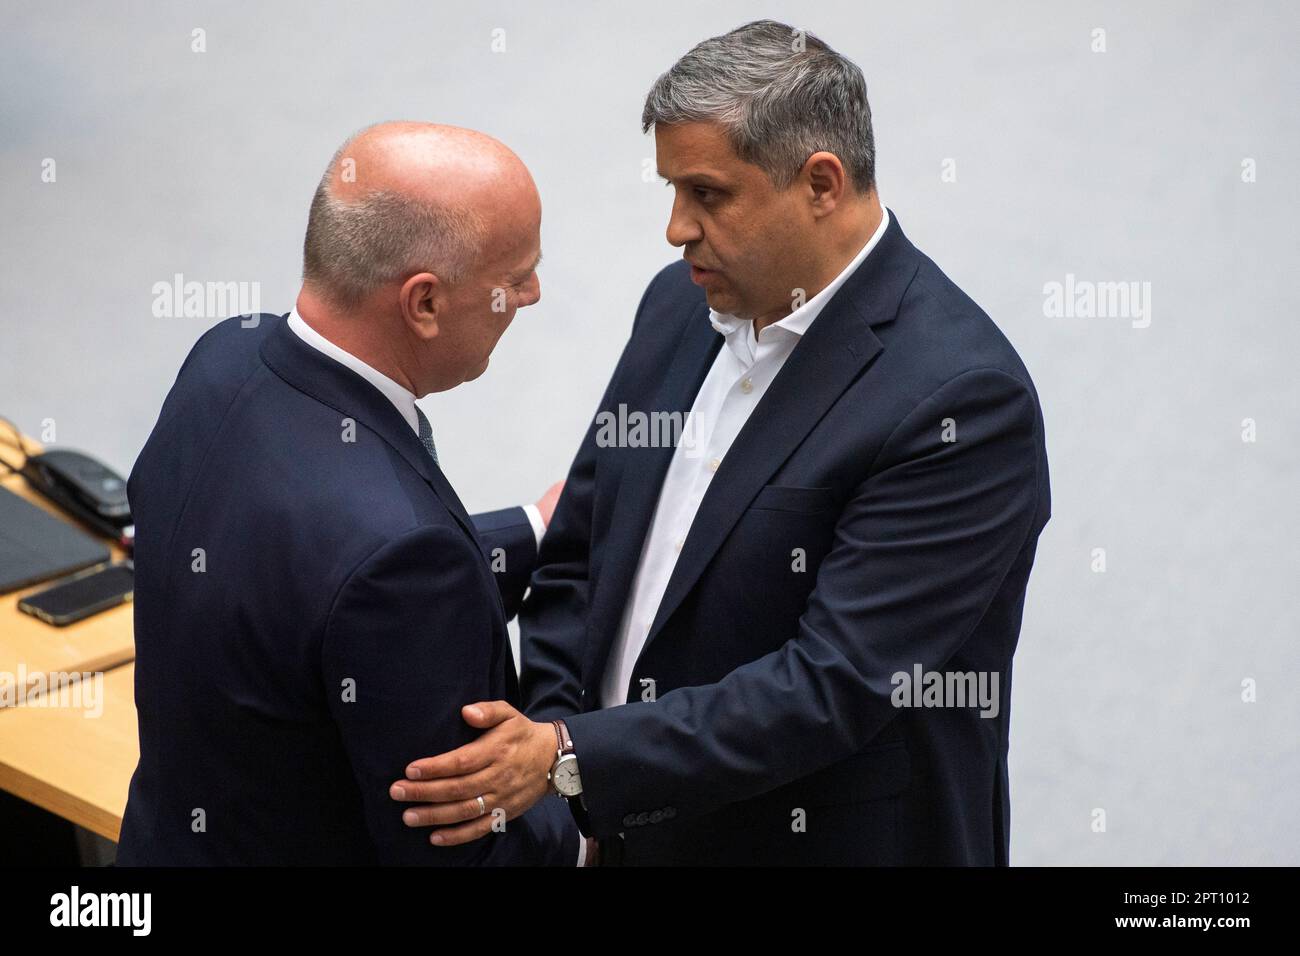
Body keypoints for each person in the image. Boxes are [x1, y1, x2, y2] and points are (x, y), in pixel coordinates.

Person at [391, 21, 1052, 866]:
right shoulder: (678, 308)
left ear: (821, 183)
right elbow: (577, 559)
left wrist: (569, 761)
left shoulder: (961, 402)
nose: (676, 229)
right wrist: (566, 752)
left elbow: (831, 685)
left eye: (707, 195)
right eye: (671, 191)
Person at [117, 121, 585, 865]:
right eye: (515, 276)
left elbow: (307, 572)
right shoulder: (401, 559)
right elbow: (456, 852)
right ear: (423, 303)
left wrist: (533, 527)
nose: (532, 294)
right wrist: (586, 834)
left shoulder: (224, 357)